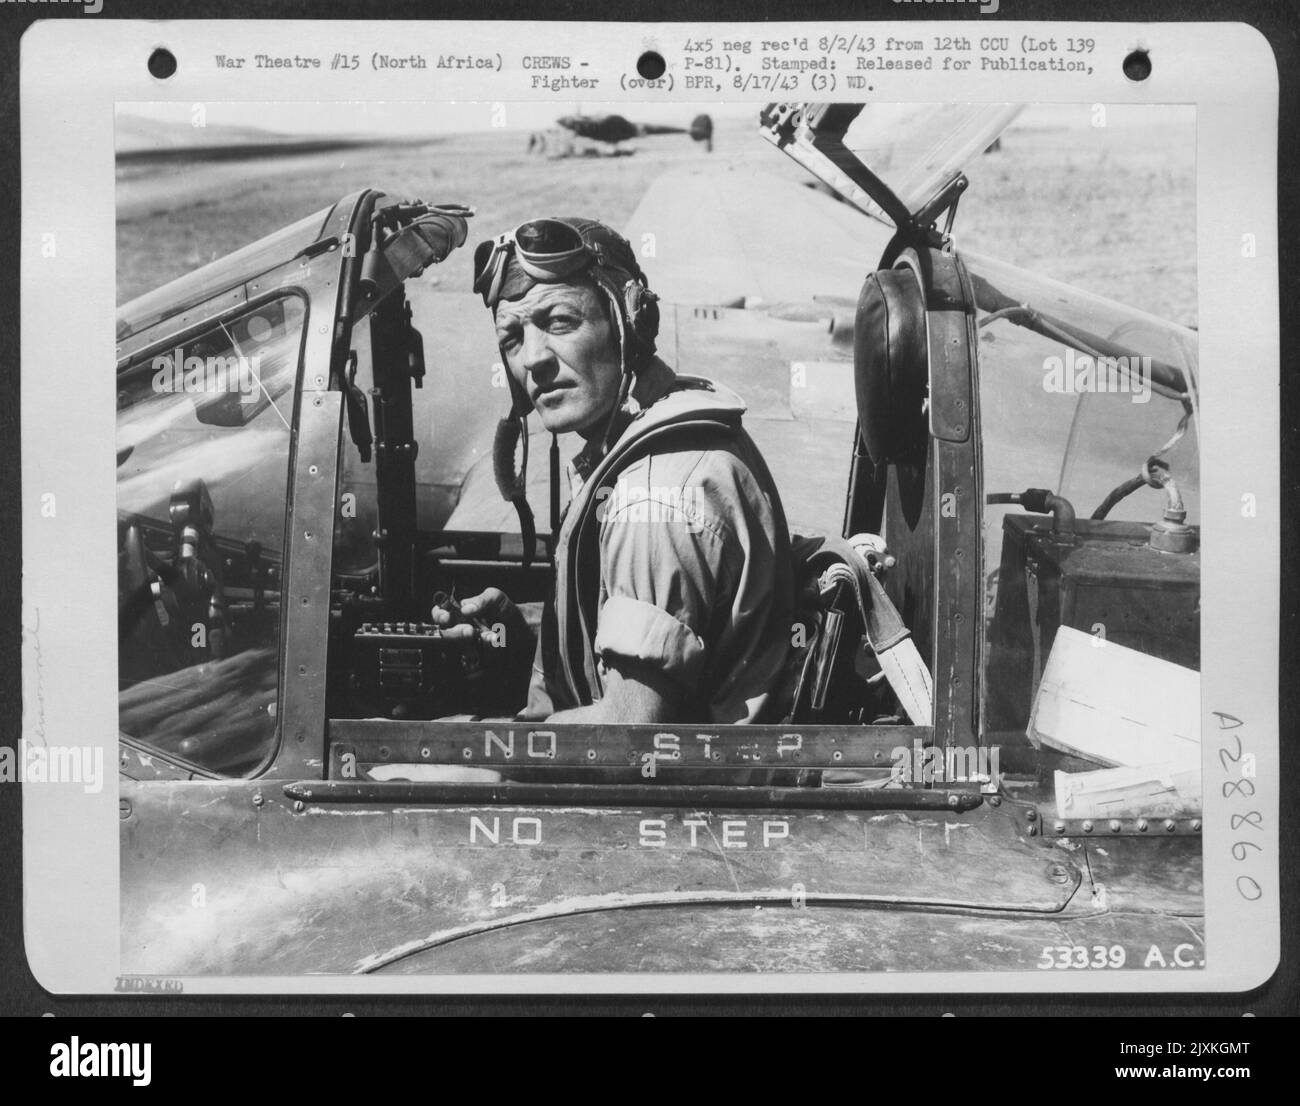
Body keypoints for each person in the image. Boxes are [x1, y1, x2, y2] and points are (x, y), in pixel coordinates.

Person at [434, 216, 794, 727]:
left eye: (559, 322)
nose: (533, 358)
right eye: (513, 337)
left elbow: (627, 736)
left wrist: (467, 746)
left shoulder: (655, 495)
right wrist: (531, 639)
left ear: (628, 322)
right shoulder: (647, 438)